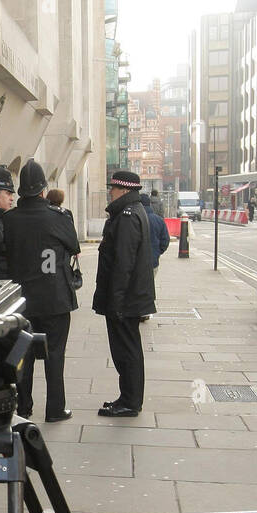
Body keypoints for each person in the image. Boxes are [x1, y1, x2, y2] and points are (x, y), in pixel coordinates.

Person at [3, 160, 80, 423]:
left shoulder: (9, 219)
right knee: (55, 354)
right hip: (55, 298)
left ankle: (24, 408)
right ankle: (55, 409)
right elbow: (74, 245)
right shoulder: (57, 217)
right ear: (43, 190)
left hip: (21, 302)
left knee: (23, 355)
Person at [93, 170, 155, 417]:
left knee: (126, 351)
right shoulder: (130, 213)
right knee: (127, 350)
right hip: (129, 298)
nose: (110, 192)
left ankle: (130, 401)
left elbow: (123, 263)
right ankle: (127, 397)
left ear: (124, 191)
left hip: (125, 299)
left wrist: (116, 302)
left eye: (114, 188)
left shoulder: (127, 217)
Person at [139, 191, 172, 271]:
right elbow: (165, 240)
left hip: (137, 263)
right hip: (153, 261)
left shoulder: (134, 219)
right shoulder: (159, 220)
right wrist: (157, 252)